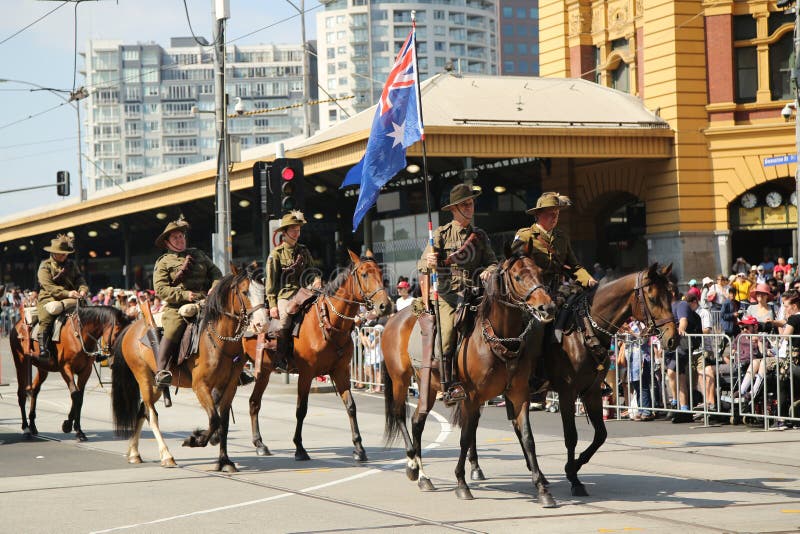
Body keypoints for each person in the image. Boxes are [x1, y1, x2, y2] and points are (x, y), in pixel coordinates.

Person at [419, 183, 498, 405]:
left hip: (475, 292)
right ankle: (449, 384)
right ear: (454, 209)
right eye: (465, 204)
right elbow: (423, 263)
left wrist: (489, 271)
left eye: (471, 203)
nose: (470, 207)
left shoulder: (479, 235)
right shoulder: (441, 234)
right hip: (449, 294)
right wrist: (430, 260)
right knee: (447, 335)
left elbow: (493, 262)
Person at [514, 191, 598, 348]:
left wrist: (589, 279)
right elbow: (514, 264)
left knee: (583, 315)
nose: (555, 218)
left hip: (559, 289)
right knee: (536, 330)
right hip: (536, 292)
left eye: (557, 214)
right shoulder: (525, 235)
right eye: (550, 214)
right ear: (538, 214)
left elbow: (574, 265)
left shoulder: (562, 237)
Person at [152, 217, 222, 389]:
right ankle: (161, 370)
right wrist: (185, 295)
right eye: (175, 237)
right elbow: (161, 289)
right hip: (178, 306)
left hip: (206, 301)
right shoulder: (164, 262)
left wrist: (214, 287)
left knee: (228, 321)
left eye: (181, 236)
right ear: (167, 242)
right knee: (174, 328)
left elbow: (216, 273)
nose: (180, 239)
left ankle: (236, 365)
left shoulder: (198, 254)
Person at [265, 210, 314, 373]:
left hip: (305, 293)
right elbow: (271, 283)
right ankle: (281, 357)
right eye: (293, 230)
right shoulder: (276, 254)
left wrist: (316, 280)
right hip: (285, 295)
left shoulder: (304, 251)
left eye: (298, 229)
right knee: (285, 319)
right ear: (284, 233)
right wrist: (272, 305)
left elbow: (312, 272)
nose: (297, 233)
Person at [35, 234, 89, 366]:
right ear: (53, 253)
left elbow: (80, 279)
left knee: (92, 316)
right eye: (61, 254)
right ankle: (43, 347)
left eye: (66, 254)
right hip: (49, 298)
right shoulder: (45, 266)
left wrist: (83, 290)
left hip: (73, 297)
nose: (64, 256)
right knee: (47, 316)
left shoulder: (72, 264)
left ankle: (95, 348)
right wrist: (68, 293)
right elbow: (49, 287)